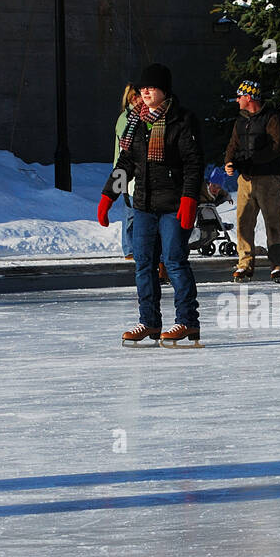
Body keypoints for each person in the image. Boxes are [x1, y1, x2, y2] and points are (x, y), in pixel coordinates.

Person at [99, 63, 204, 346]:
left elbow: (194, 164)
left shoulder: (182, 120)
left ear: (164, 90)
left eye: (151, 87)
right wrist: (108, 195)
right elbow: (127, 163)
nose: (145, 91)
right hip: (143, 204)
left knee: (174, 262)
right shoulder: (136, 121)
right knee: (144, 264)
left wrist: (189, 199)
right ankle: (149, 322)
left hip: (173, 205)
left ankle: (187, 321)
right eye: (143, 87)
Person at [224, 79, 280, 283]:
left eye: (239, 96)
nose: (237, 100)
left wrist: (253, 160)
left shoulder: (272, 118)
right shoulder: (240, 120)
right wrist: (229, 162)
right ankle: (245, 264)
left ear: (249, 98)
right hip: (246, 180)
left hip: (269, 179)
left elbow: (276, 147)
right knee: (244, 222)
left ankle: (277, 264)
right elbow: (233, 144)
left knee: (273, 223)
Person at [114, 84, 140, 260]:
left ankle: (131, 246)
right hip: (126, 171)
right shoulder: (127, 118)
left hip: (128, 171)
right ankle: (129, 247)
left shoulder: (134, 117)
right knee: (130, 210)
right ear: (133, 98)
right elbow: (125, 148)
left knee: (132, 210)